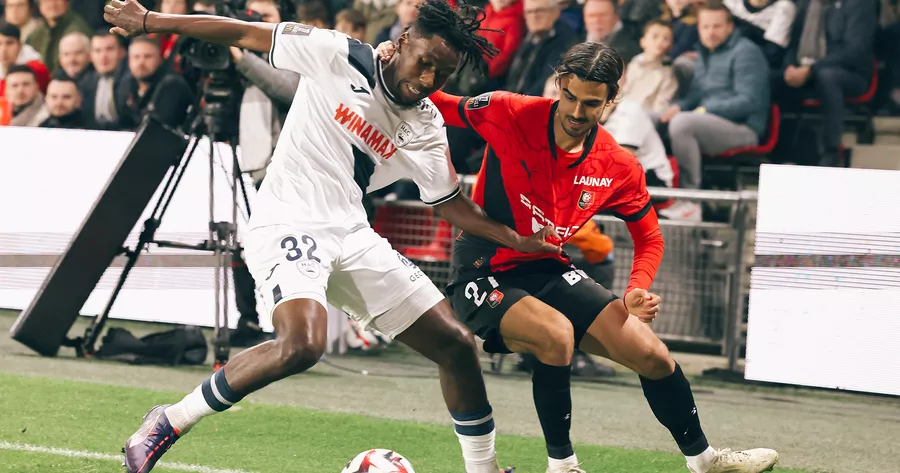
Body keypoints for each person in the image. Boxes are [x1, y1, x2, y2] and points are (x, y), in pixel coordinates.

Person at [103, 0, 558, 472]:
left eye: (441, 74)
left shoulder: (425, 125)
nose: (427, 80)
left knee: (457, 345)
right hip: (288, 221)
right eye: (424, 62)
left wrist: (516, 239)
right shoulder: (337, 53)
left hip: (352, 233)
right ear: (402, 41)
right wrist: (152, 21)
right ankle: (171, 420)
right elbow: (242, 34)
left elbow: (448, 203)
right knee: (302, 346)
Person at [378, 40, 779, 473]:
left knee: (655, 356)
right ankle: (563, 467)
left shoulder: (618, 165)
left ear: (611, 100)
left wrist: (636, 289)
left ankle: (706, 461)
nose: (576, 111)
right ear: (559, 85)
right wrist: (390, 62)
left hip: (549, 269)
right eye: (569, 96)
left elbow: (650, 238)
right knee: (556, 334)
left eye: (591, 103)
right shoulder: (509, 110)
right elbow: (436, 99)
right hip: (483, 271)